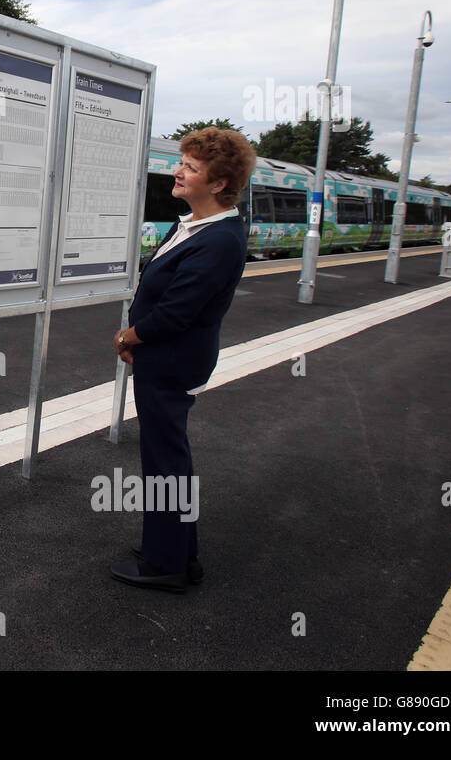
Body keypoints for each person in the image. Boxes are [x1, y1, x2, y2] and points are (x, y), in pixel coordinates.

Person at [109, 128, 256, 593]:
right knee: (167, 455)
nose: (179, 171)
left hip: (172, 361)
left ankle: (166, 564)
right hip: (163, 356)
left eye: (191, 167)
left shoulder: (219, 240)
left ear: (218, 183)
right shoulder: (192, 224)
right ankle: (177, 550)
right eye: (182, 161)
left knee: (165, 460)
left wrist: (128, 335)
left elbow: (177, 310)